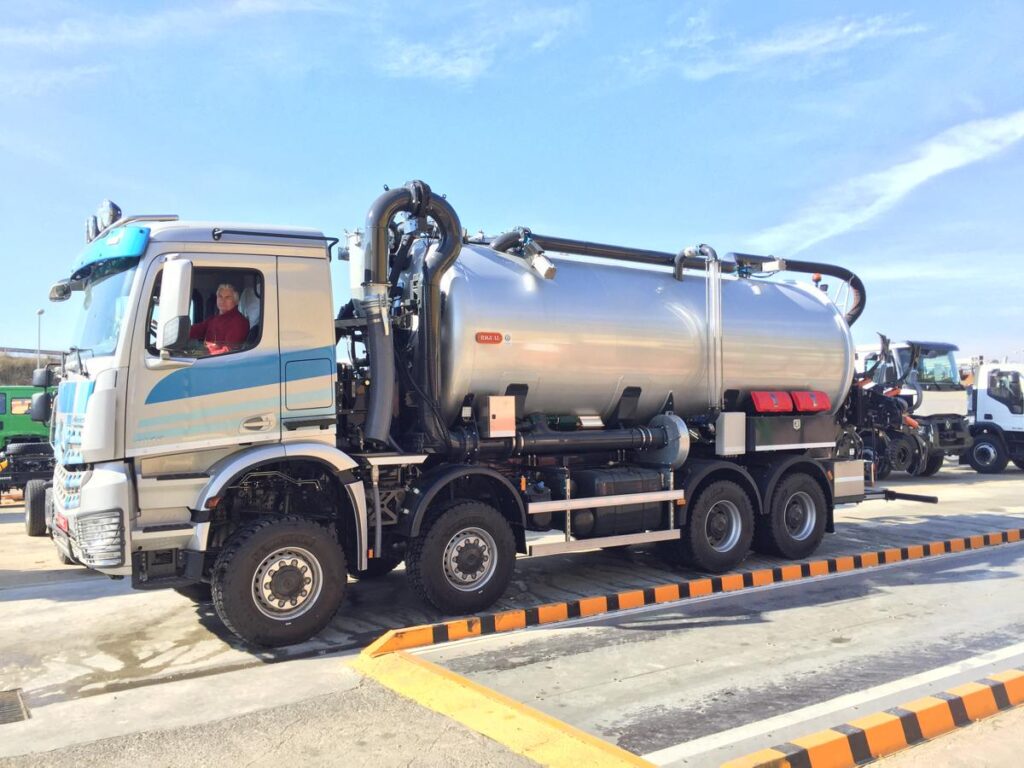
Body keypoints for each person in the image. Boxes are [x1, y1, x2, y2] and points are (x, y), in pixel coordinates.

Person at [189, 283, 250, 356]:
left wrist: (204, 354)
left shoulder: (239, 322)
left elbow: (228, 351)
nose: (222, 300)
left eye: (227, 297)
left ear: (236, 301)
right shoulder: (214, 319)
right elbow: (196, 330)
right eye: (220, 296)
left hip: (218, 362)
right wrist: (180, 331)